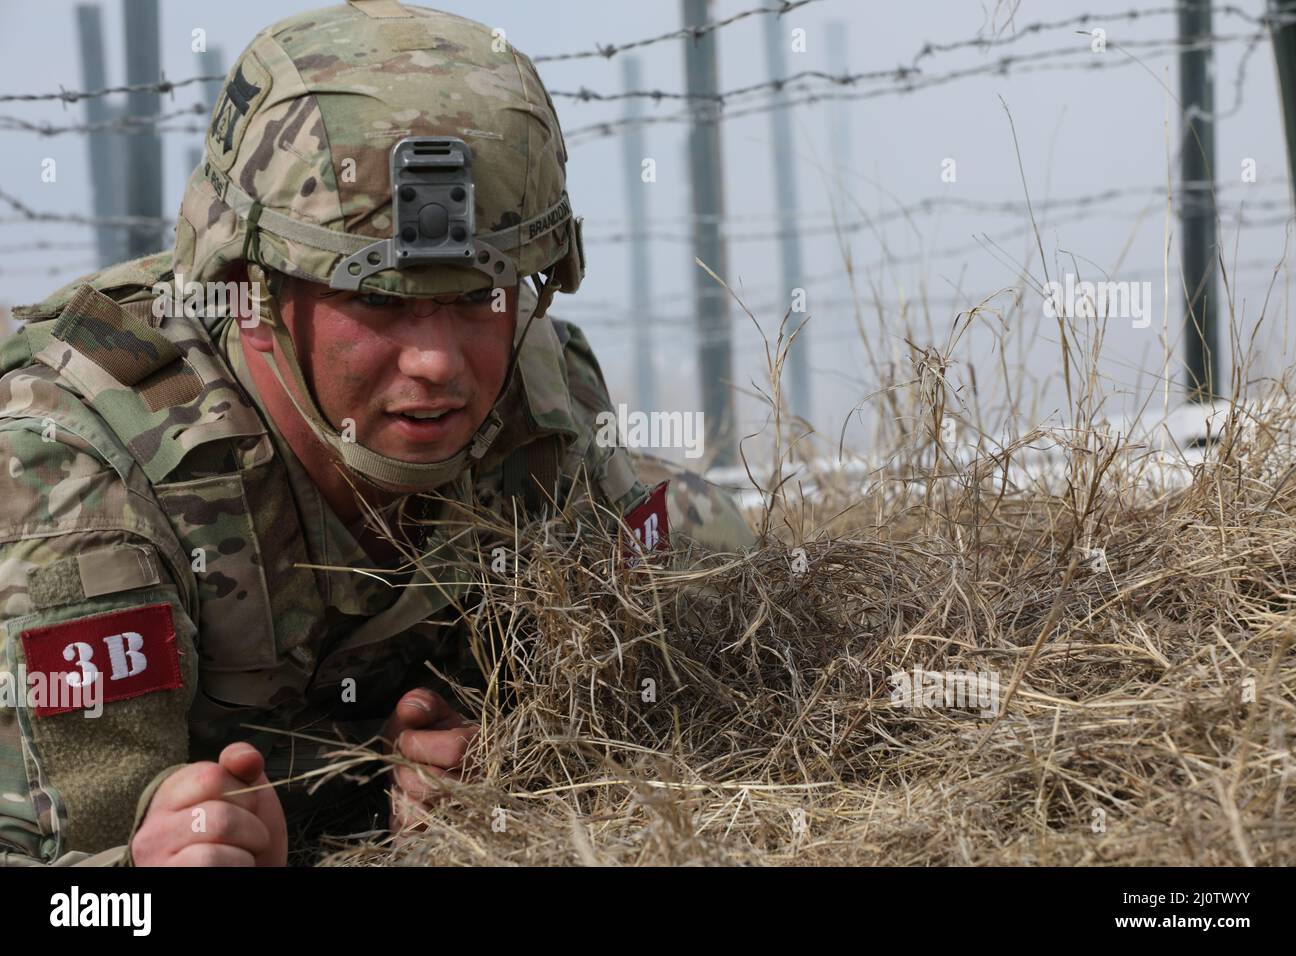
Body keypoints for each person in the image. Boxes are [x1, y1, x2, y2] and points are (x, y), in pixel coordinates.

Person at [0, 0, 754, 867]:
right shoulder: (78, 478)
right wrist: (137, 876)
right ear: (253, 293)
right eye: (379, 299)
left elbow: (673, 696)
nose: (438, 362)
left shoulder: (540, 401)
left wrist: (519, 766)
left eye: (478, 296)